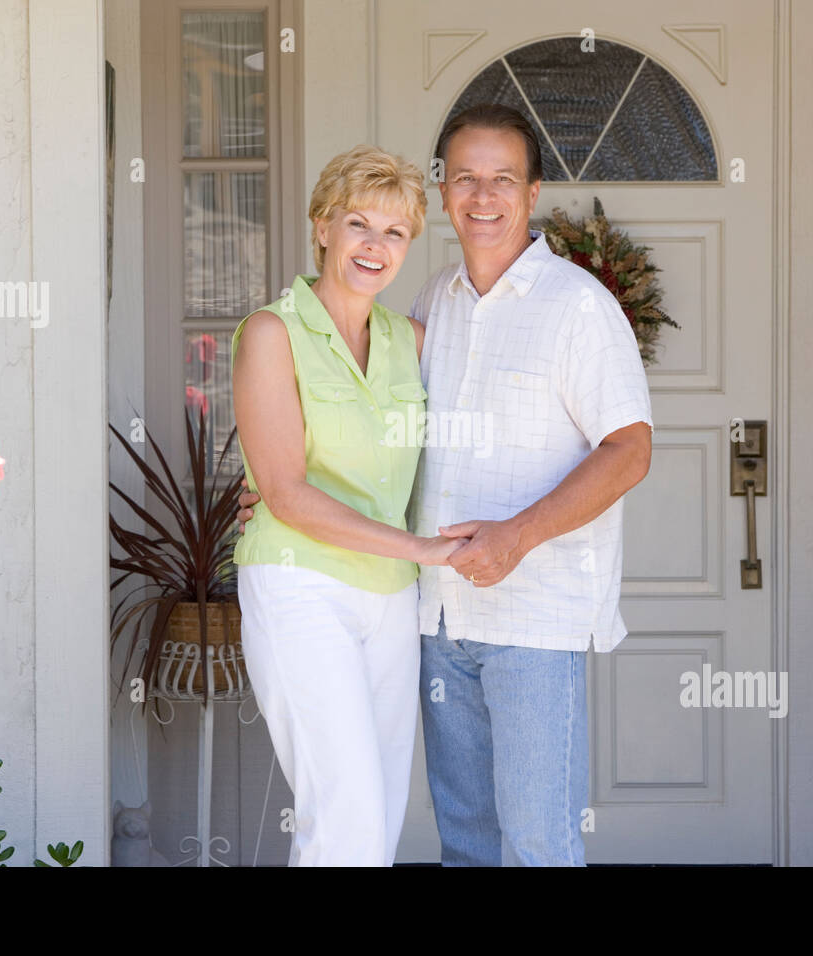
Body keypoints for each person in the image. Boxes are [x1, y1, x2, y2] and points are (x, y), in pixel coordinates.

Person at [238, 104, 653, 866]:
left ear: (532, 195)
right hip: (433, 616)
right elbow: (325, 454)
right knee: (460, 840)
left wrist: (518, 535)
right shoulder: (432, 306)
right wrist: (272, 489)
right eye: (466, 178)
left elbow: (630, 450)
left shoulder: (579, 308)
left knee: (535, 841)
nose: (483, 195)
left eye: (503, 179)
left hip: (531, 619)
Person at [229, 144, 465, 867]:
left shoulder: (414, 341)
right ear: (323, 226)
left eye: (394, 233)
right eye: (359, 223)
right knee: (346, 817)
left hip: (391, 600)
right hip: (302, 585)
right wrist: (423, 550)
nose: (375, 245)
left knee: (381, 816)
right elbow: (287, 493)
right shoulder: (273, 334)